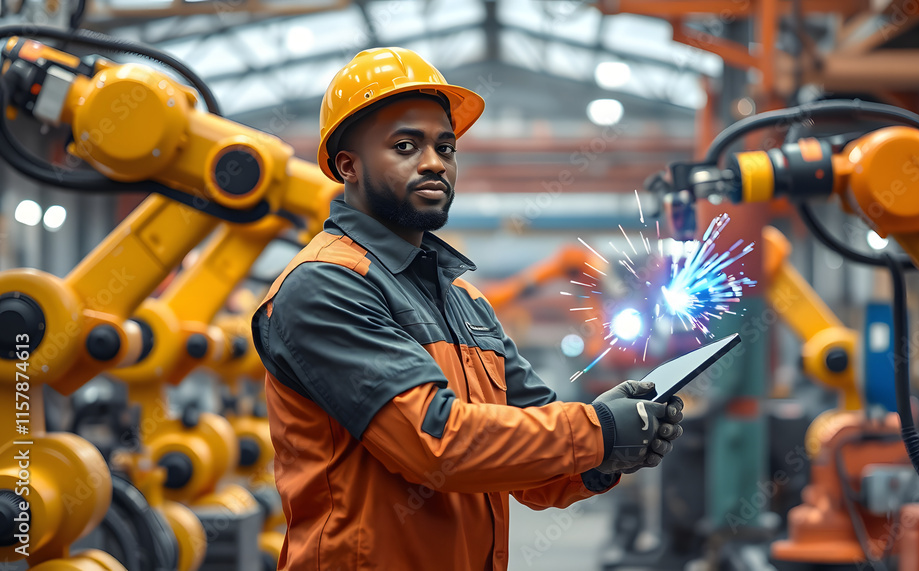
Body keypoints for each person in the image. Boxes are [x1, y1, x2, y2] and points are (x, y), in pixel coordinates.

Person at [251, 47, 685, 570]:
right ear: (350, 167)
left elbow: (530, 461)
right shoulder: (326, 285)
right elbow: (434, 444)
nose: (434, 162)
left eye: (446, 146)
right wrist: (597, 429)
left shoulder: (467, 302)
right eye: (406, 145)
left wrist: (605, 455)